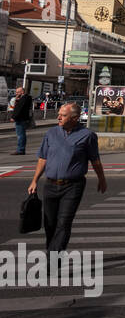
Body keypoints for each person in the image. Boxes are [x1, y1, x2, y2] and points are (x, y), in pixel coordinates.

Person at [27, 102, 107, 252]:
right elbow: (43, 158)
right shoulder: (51, 133)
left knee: (63, 223)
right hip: (50, 185)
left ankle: (53, 260)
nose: (58, 117)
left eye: (63, 115)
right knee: (50, 223)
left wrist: (101, 179)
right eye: (59, 114)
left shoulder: (88, 136)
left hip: (73, 186)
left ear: (75, 118)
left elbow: (95, 161)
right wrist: (34, 180)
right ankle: (52, 252)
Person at [11, 86, 33, 155]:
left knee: (20, 135)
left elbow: (19, 109)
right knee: (21, 134)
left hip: (21, 119)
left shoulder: (24, 98)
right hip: (23, 118)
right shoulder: (26, 98)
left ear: (22, 92)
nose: (16, 93)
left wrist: (13, 117)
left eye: (18, 92)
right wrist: (17, 100)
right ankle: (21, 149)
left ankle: (20, 149)